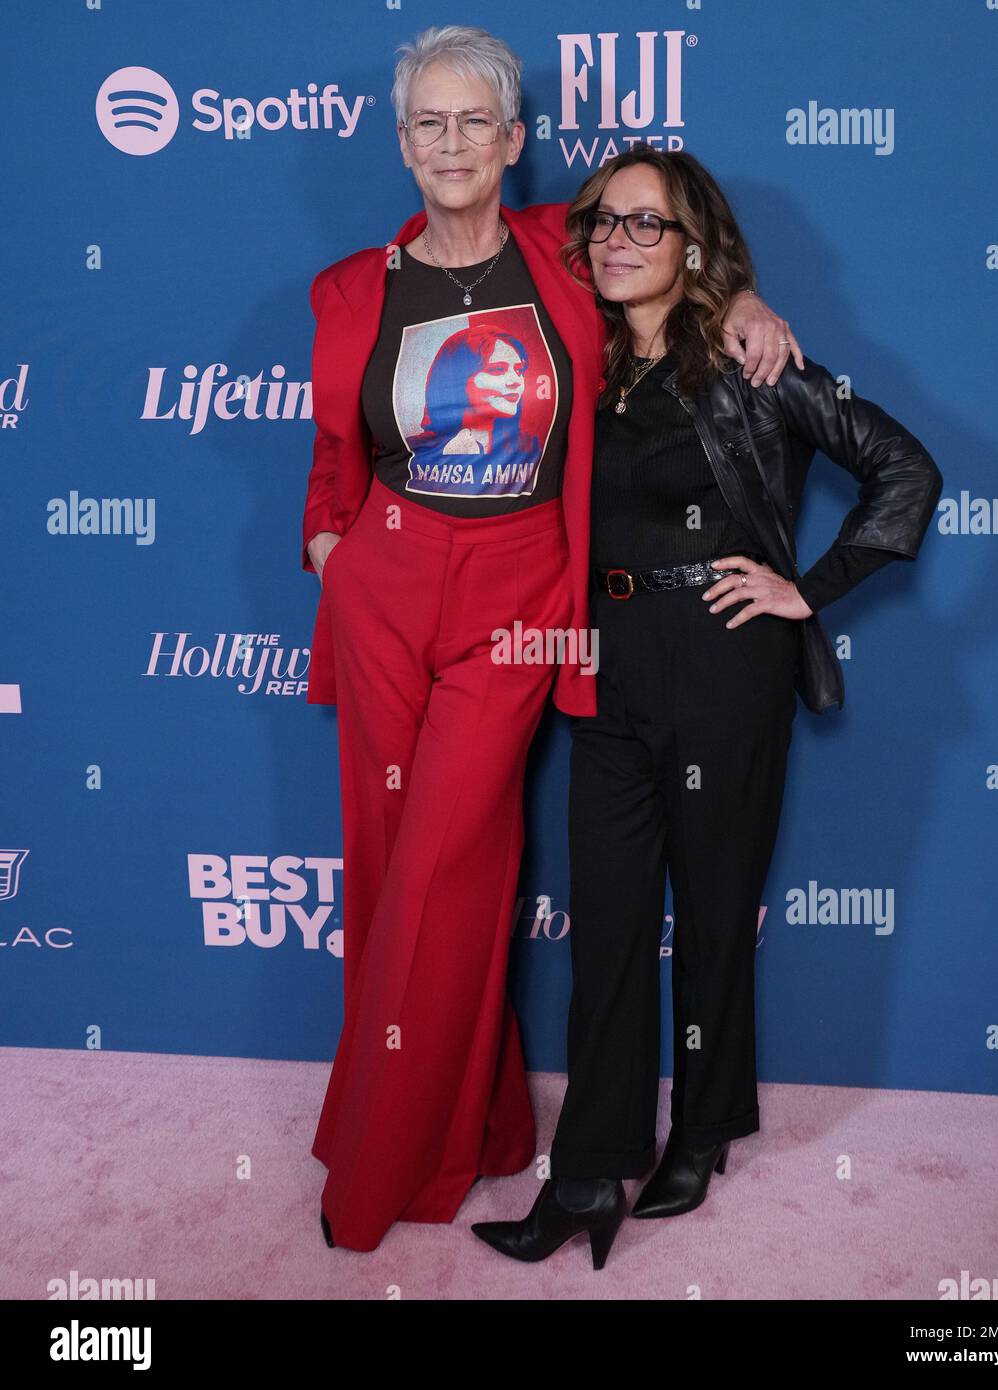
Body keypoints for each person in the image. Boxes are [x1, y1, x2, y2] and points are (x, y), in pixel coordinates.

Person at [302, 28, 800, 1253]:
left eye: (475, 121)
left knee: (446, 863)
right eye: (430, 122)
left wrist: (743, 297)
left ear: (514, 139)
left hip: (521, 597)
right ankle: (477, 1129)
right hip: (384, 584)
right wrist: (328, 544)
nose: (453, 143)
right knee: (388, 865)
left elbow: (676, 260)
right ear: (401, 142)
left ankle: (376, 1165)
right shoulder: (349, 287)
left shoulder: (567, 257)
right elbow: (334, 447)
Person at [470, 144, 943, 1270]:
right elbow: (486, 234)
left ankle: (701, 1129)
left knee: (717, 913)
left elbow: (905, 469)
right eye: (604, 221)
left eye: (648, 224)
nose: (617, 241)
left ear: (694, 246)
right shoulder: (573, 355)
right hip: (601, 662)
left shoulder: (750, 361)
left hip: (726, 661)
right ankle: (588, 1170)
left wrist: (805, 589)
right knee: (607, 926)